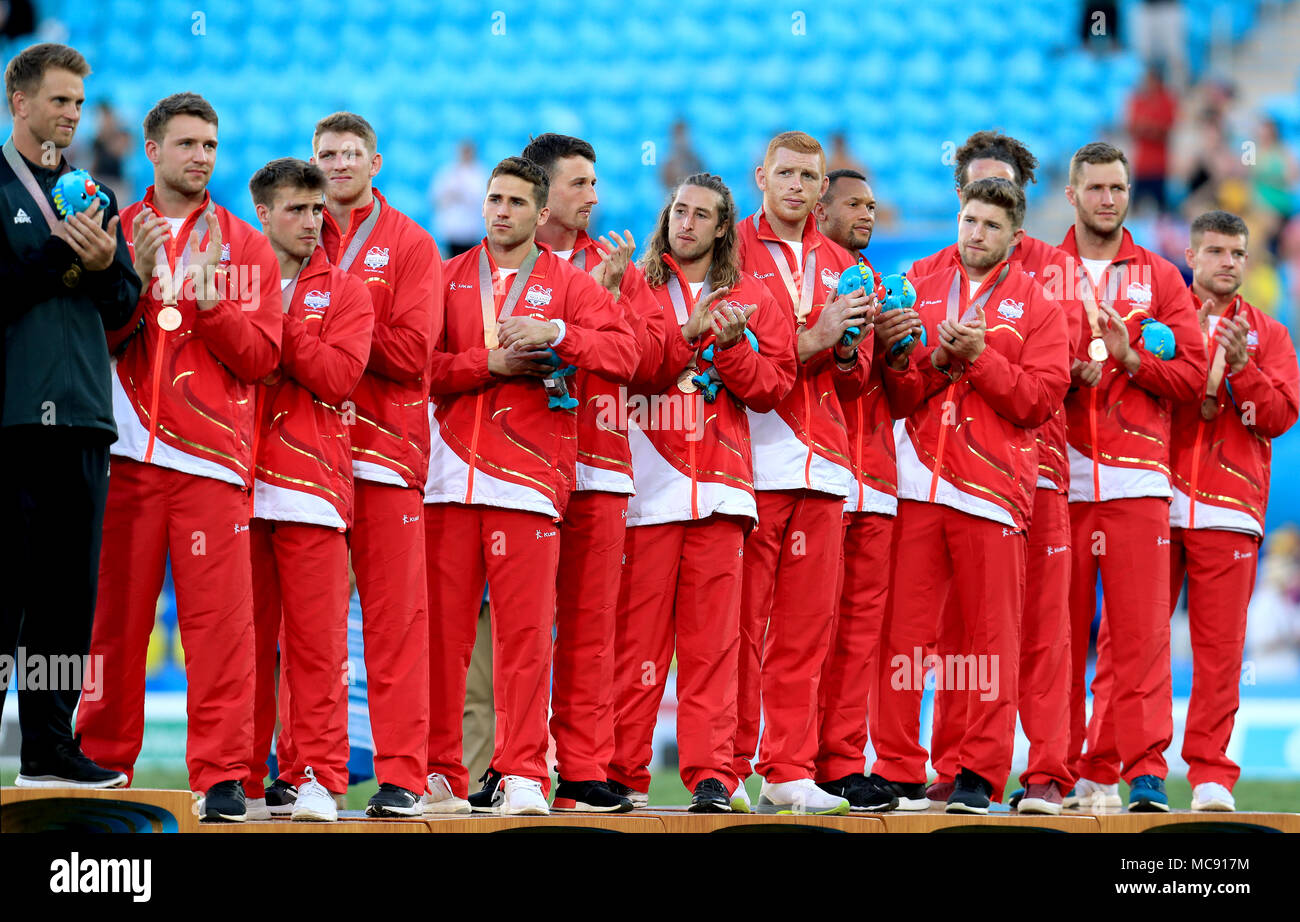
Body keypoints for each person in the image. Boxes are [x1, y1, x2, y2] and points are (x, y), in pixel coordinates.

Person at [76, 92, 282, 822]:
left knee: (220, 630)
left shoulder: (246, 247)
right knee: (114, 626)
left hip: (214, 468)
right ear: (153, 152)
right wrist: (128, 277)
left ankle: (222, 775)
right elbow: (87, 344)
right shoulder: (110, 231)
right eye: (188, 144)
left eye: (211, 146)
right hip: (126, 459)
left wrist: (212, 300)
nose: (201, 157)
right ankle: (101, 763)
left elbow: (262, 359)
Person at [421, 156, 637, 816]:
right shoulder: (449, 276)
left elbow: (626, 354)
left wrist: (560, 335)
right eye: (494, 199)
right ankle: (438, 774)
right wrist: (488, 362)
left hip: (528, 481)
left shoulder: (568, 285)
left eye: (516, 201)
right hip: (452, 479)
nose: (501, 211)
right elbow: (420, 368)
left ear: (540, 213)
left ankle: (521, 773)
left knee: (524, 639)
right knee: (444, 639)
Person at [864, 177, 1070, 814]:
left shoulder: (1040, 305)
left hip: (992, 492)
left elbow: (1039, 400)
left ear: (1013, 237)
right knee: (901, 638)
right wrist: (931, 362)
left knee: (991, 641)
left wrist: (980, 357)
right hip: (918, 486)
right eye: (967, 220)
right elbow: (894, 394)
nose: (974, 233)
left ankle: (980, 773)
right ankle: (898, 768)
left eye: (989, 225)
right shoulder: (920, 286)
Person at [1094, 211, 1299, 811]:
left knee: (1220, 652)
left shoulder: (1272, 335)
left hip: (1229, 508)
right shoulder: (1159, 322)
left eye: (1237, 252)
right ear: (1190, 255)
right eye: (1215, 251)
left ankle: (1210, 773)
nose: (1228, 262)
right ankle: (1108, 767)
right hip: (1153, 497)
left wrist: (1243, 372)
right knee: (1129, 641)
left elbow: (1281, 418)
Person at [609, 172, 795, 812]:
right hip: (646, 491)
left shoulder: (752, 296)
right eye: (678, 211)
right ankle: (622, 772)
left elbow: (773, 389)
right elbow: (629, 367)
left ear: (723, 229)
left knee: (714, 647)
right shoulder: (634, 285)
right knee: (637, 646)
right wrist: (688, 335)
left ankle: (713, 773)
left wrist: (734, 343)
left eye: (701, 215)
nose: (686, 222)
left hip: (721, 491)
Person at [911, 131, 1081, 815]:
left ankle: (1046, 772)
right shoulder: (931, 273)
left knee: (1038, 630)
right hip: (954, 477)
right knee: (961, 633)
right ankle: (954, 767)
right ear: (961, 195)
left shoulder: (1054, 272)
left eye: (1007, 188)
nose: (992, 198)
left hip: (1036, 469)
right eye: (979, 188)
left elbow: (1057, 378)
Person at [0, 42, 140, 788]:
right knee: (3, 599)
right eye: (59, 101)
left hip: (85, 416)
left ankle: (49, 749)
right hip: (12, 417)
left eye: (79, 104)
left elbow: (123, 307)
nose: (71, 116)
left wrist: (105, 264)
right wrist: (62, 257)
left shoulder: (93, 195)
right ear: (18, 102)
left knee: (63, 599)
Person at [1058, 142, 1206, 812]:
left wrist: (1132, 360)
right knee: (1055, 637)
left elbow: (1193, 379)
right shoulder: (1041, 272)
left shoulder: (1163, 278)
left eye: (1118, 187)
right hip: (1058, 481)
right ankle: (1055, 772)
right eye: (1096, 188)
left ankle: (1144, 771)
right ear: (1071, 193)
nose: (1109, 199)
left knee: (1141, 637)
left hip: (1138, 481)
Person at [734, 130, 874, 815]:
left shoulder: (842, 263)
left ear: (824, 189)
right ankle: (723, 766)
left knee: (804, 631)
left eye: (808, 176)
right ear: (760, 175)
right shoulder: (730, 251)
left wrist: (849, 350)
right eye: (784, 172)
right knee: (736, 626)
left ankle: (786, 769)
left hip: (825, 468)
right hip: (750, 465)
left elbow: (858, 383)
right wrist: (810, 340)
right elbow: (723, 352)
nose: (796, 185)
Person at [515, 132, 650, 813]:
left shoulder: (620, 264)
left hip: (598, 463)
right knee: (522, 628)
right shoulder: (501, 264)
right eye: (580, 184)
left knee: (593, 627)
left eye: (596, 183)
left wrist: (608, 301)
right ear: (542, 193)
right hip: (521, 467)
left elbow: (646, 359)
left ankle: (584, 766)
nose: (595, 196)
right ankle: (514, 770)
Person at [312, 111, 442, 817]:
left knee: (393, 625)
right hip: (303, 457)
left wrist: (337, 323)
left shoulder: (411, 244)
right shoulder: (292, 231)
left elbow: (413, 356)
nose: (339, 164)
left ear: (376, 162)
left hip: (387, 453)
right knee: (310, 628)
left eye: (351, 153)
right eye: (327, 153)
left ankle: (402, 776)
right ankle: (310, 771)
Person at [242, 158, 374, 823]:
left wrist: (269, 321)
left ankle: (316, 776)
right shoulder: (233, 278)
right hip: (235, 482)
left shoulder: (347, 291)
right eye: (295, 209)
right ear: (261, 212)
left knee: (318, 648)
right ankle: (241, 777)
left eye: (318, 209)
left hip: (313, 490)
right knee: (240, 646)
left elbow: (336, 378)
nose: (311, 221)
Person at [809, 169, 907, 811]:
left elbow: (903, 400)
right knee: (804, 630)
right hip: (815, 474)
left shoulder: (875, 284)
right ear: (821, 208)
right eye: (855, 204)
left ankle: (841, 761)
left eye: (873, 205)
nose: (868, 214)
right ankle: (775, 757)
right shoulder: (799, 277)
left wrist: (903, 355)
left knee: (858, 635)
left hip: (876, 475)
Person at [1126, 66, 1178, 216]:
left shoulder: (1167, 100)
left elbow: (1165, 131)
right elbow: (1133, 127)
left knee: (1162, 208)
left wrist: (1147, 128)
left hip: (1160, 166)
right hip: (1142, 165)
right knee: (1135, 206)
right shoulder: (1138, 100)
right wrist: (1151, 128)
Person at [431, 139, 487, 257]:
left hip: (471, 229)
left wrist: (463, 195)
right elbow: (436, 198)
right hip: (452, 229)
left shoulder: (480, 173)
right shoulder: (448, 172)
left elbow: (483, 198)